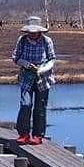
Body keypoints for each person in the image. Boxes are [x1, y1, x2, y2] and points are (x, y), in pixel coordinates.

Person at [12, 15, 56, 145]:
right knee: (26, 104)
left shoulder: (47, 41)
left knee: (40, 107)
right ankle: (24, 133)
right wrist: (25, 64)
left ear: (39, 31)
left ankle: (37, 135)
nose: (32, 34)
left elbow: (52, 59)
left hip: (43, 78)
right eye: (30, 32)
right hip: (26, 77)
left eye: (34, 32)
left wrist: (42, 69)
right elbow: (15, 57)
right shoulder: (22, 40)